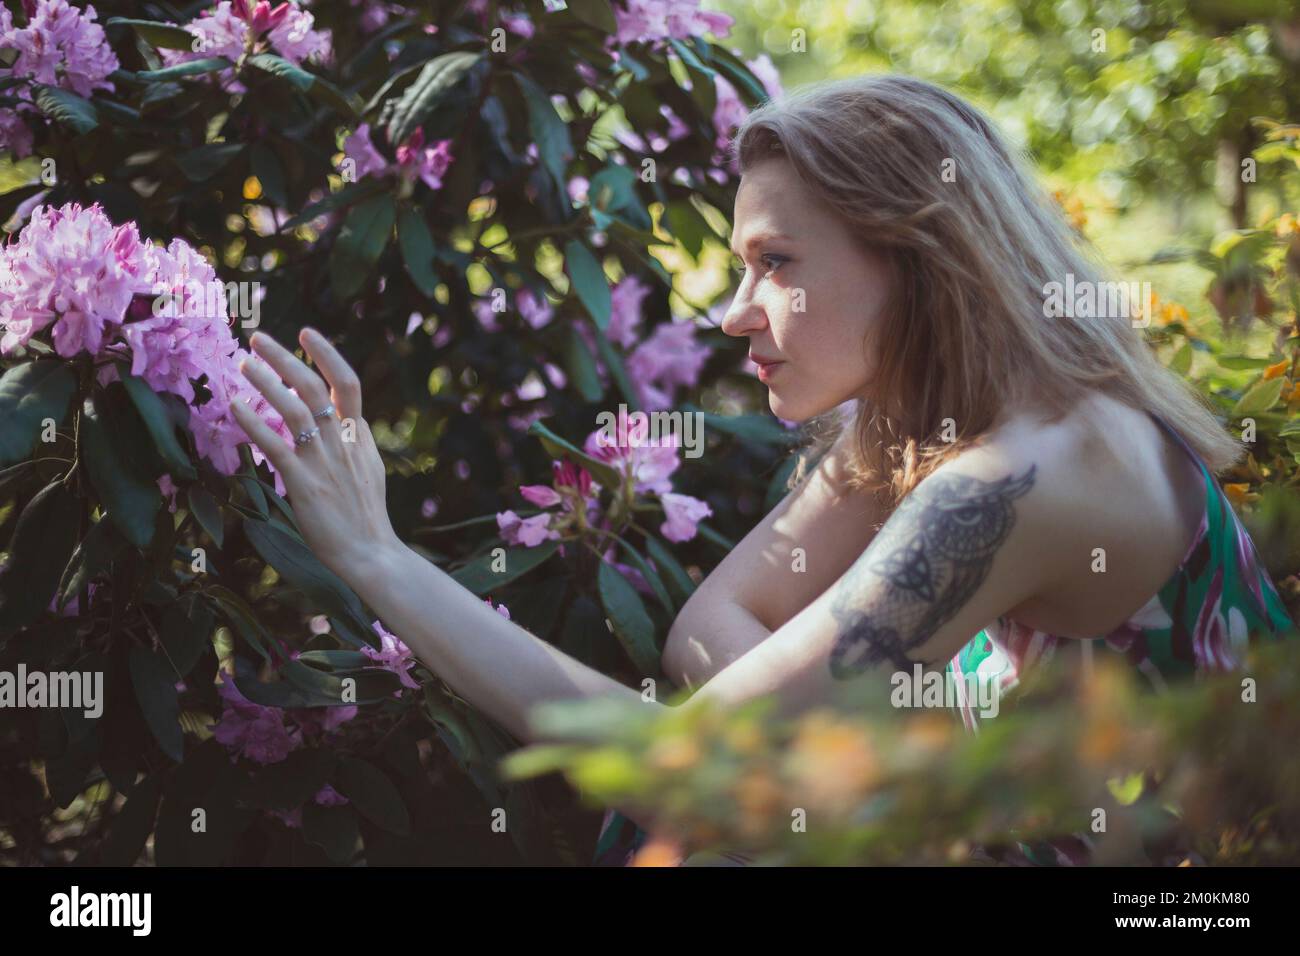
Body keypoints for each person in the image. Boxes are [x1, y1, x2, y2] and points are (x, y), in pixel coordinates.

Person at [229, 74, 1297, 868]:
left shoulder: (1020, 475)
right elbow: (714, 616)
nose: (734, 313)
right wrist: (817, 727)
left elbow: (675, 768)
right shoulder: (925, 411)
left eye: (775, 263)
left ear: (916, 255)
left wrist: (377, 556)